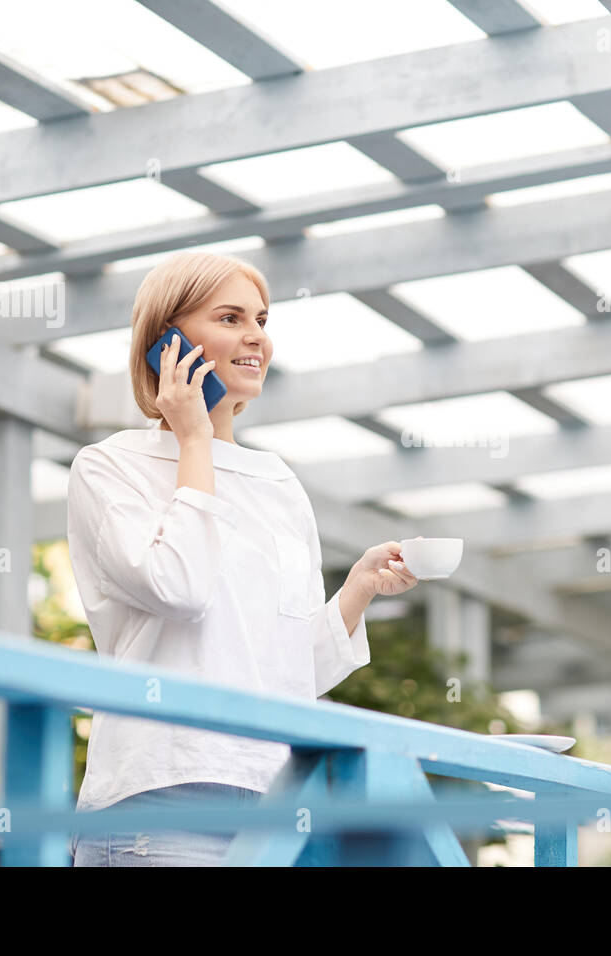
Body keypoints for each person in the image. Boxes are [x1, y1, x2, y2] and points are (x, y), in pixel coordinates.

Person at [65, 251, 419, 865]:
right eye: (230, 317)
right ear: (167, 342)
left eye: (261, 318)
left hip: (277, 800)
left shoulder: (277, 482)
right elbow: (179, 585)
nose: (256, 336)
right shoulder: (108, 467)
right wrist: (195, 438)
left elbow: (286, 670)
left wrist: (355, 592)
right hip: (161, 795)